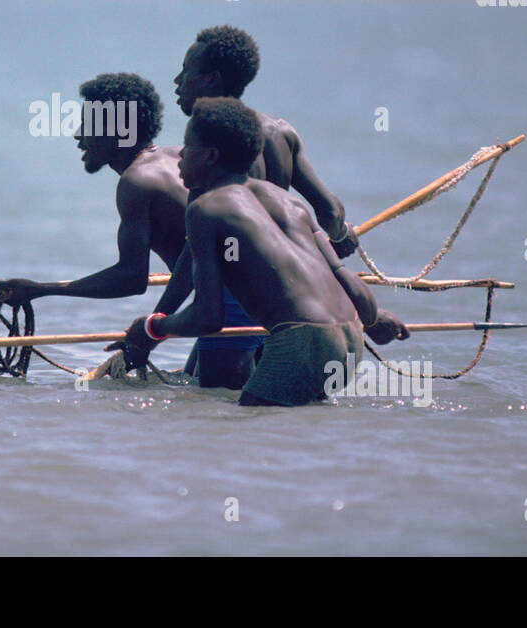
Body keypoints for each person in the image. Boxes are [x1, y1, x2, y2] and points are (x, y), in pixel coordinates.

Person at [107, 97, 404, 407]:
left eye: (188, 146)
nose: (179, 155)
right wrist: (373, 320)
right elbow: (343, 275)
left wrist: (151, 328)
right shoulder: (289, 202)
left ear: (210, 156)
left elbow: (208, 317)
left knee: (245, 431)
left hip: (301, 341)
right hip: (351, 337)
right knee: (293, 430)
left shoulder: (205, 209)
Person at [155, 25, 363, 381]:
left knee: (216, 408)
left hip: (234, 302)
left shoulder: (209, 153)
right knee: (221, 393)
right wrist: (340, 236)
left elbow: (193, 253)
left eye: (187, 71)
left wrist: (154, 327)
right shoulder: (281, 132)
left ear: (212, 80)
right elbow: (328, 211)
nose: (177, 81)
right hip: (288, 301)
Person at [0, 73, 187, 306]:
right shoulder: (183, 156)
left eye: (88, 124)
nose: (78, 135)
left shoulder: (136, 182)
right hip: (238, 298)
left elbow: (132, 277)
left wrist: (38, 290)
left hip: (228, 310)